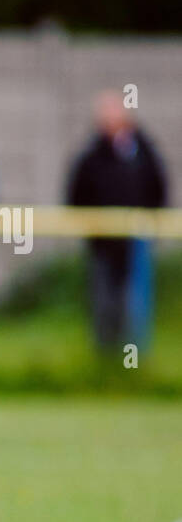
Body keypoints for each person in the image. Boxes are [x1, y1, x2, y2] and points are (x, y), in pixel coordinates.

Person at [67, 89, 168, 355]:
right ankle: (107, 365)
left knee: (135, 305)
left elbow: (158, 187)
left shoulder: (144, 152)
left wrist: (151, 224)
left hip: (136, 241)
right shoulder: (91, 156)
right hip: (102, 244)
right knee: (103, 305)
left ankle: (134, 364)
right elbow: (76, 194)